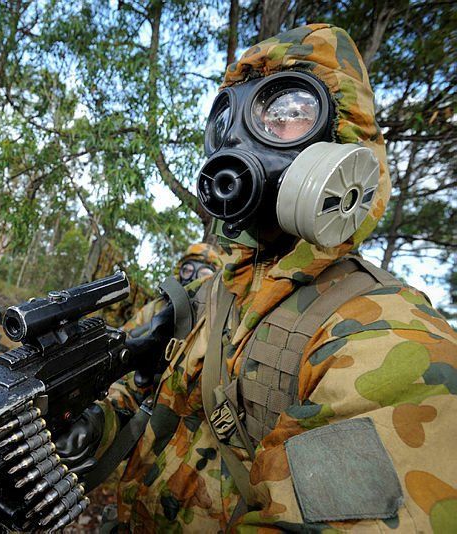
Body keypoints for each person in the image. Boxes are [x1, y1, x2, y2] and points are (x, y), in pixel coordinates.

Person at [57, 25, 457, 532]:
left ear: (346, 145)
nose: (239, 139)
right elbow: (160, 414)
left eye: (289, 114)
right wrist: (98, 426)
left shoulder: (393, 340)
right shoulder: (210, 297)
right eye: (229, 119)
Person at [123, 242, 221, 338]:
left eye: (204, 274)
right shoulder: (158, 306)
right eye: (188, 270)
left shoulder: (219, 311)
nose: (194, 278)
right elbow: (125, 333)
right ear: (180, 273)